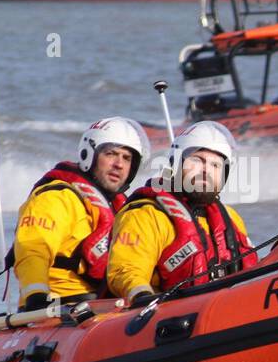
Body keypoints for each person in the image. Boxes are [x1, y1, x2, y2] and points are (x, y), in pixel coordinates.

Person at [107, 120, 256, 303]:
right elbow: (127, 270)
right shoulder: (146, 214)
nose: (205, 171)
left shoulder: (231, 218)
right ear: (177, 163)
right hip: (170, 317)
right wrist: (142, 296)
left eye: (215, 165)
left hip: (228, 308)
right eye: (197, 160)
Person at [12, 117, 149, 310]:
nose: (119, 164)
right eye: (111, 154)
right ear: (89, 155)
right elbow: (33, 249)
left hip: (106, 307)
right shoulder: (57, 198)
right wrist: (36, 294)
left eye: (127, 158)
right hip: (59, 306)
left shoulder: (122, 210)